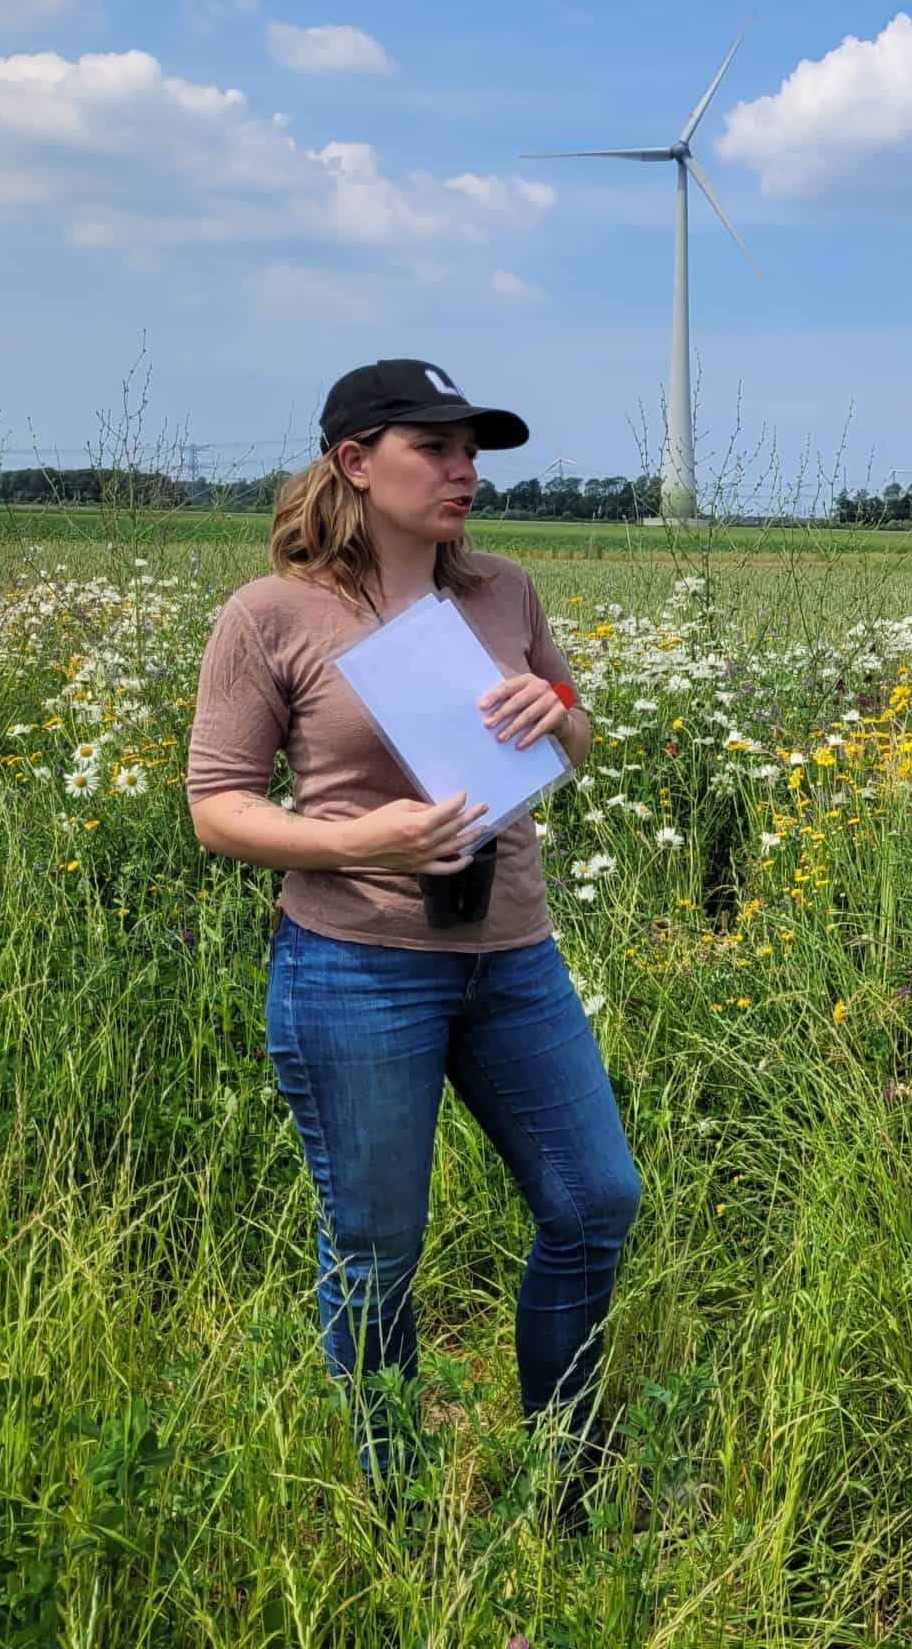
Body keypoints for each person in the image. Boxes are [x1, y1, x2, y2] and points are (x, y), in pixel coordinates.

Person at [185, 359, 640, 1524]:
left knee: (594, 1203)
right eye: (433, 447)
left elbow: (571, 734)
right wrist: (361, 842)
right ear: (353, 463)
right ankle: (393, 1503)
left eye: (472, 449)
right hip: (355, 967)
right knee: (377, 1251)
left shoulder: (504, 590)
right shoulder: (271, 615)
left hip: (514, 957)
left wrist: (564, 716)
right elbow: (218, 806)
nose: (463, 470)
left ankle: (567, 1473)